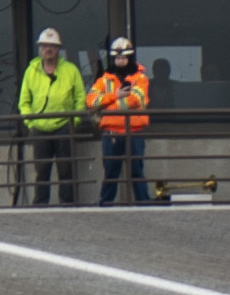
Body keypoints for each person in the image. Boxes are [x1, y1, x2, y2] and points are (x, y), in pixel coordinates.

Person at [17, 25, 89, 205]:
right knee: (41, 170)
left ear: (58, 49)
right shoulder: (31, 71)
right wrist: (30, 123)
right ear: (40, 48)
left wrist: (75, 121)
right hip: (39, 128)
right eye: (44, 45)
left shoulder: (70, 70)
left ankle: (67, 203)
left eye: (52, 46)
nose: (48, 49)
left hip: (64, 126)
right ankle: (40, 204)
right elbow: (24, 101)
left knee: (66, 169)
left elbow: (80, 98)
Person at [90, 36, 153, 205]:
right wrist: (115, 95)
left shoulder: (140, 78)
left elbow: (135, 100)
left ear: (130, 57)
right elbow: (91, 100)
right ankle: (105, 205)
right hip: (111, 133)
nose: (120, 60)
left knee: (137, 173)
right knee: (110, 173)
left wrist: (106, 108)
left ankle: (144, 205)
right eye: (117, 57)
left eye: (123, 57)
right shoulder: (105, 78)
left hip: (134, 132)